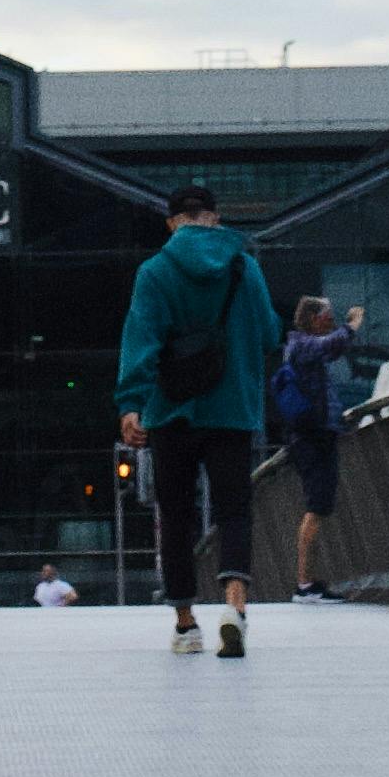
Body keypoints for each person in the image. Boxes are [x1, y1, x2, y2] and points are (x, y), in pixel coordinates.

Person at [115, 183, 277, 658]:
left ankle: (186, 624)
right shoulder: (244, 266)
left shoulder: (155, 271)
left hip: (170, 411)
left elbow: (141, 338)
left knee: (177, 516)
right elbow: (268, 331)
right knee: (233, 511)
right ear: (215, 217)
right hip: (232, 410)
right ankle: (235, 606)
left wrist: (131, 402)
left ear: (171, 223)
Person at [268, 292, 365, 598]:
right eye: (327, 316)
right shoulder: (301, 344)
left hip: (317, 435)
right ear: (311, 319)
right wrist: (350, 327)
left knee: (319, 504)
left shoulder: (304, 348)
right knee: (316, 506)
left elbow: (331, 350)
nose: (332, 321)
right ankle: (305, 584)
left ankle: (308, 583)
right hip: (311, 438)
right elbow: (329, 345)